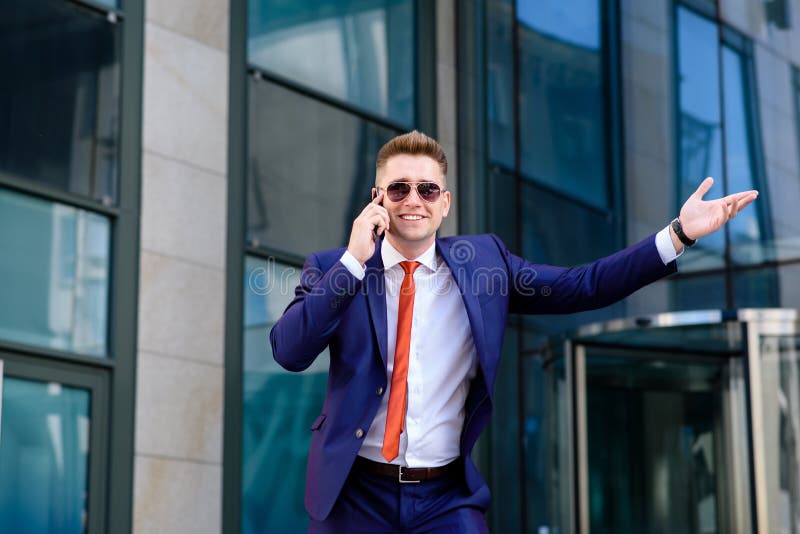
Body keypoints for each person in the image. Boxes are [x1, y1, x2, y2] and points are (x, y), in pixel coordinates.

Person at [269, 131, 758, 533]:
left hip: (445, 500)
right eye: (397, 189)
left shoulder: (486, 265)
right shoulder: (334, 268)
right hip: (354, 496)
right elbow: (289, 351)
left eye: (427, 189)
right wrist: (354, 262)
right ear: (378, 199)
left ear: (445, 204)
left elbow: (582, 285)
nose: (412, 200)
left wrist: (679, 233)